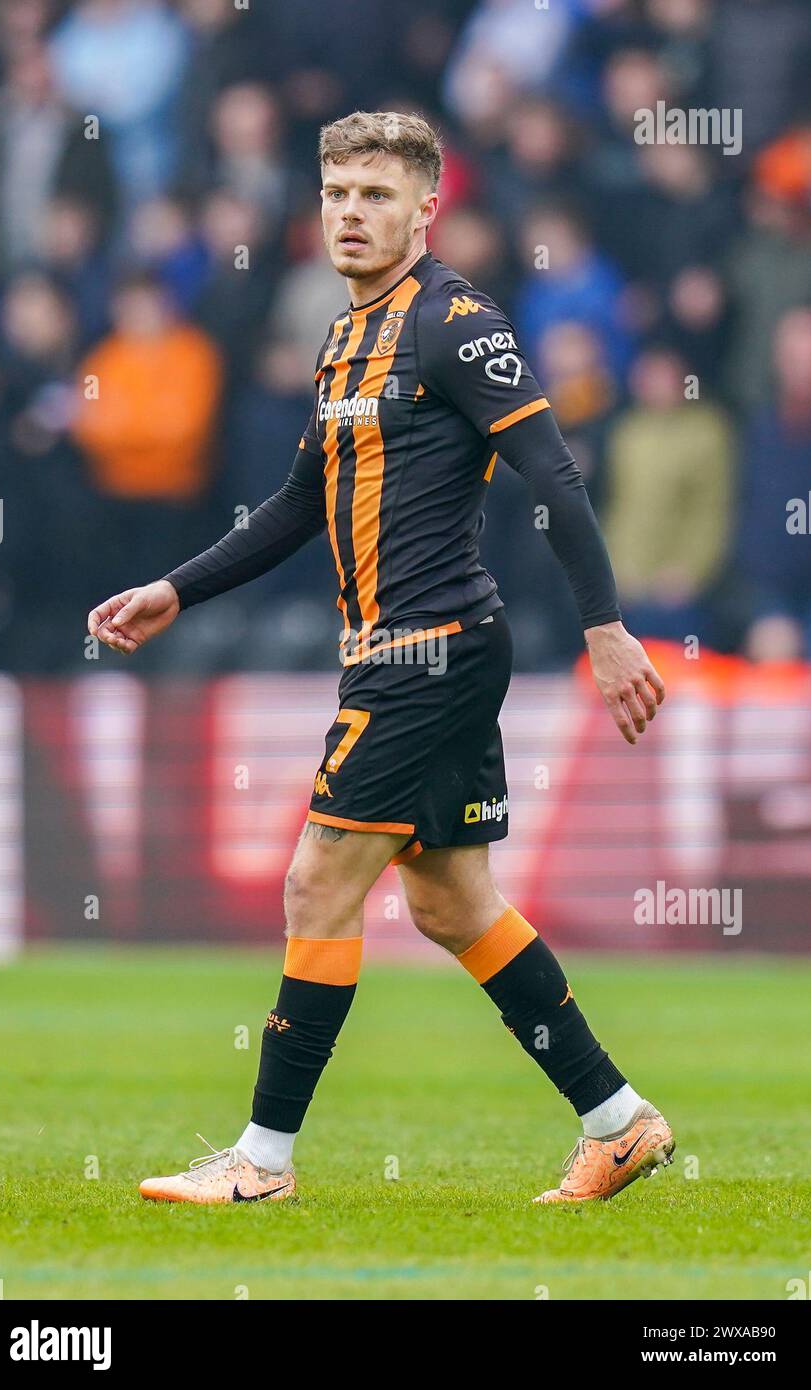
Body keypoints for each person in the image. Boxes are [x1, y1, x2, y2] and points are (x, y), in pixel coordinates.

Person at [88, 111, 673, 1207]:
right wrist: (178, 585)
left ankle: (260, 1162)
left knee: (315, 881)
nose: (352, 213)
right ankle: (618, 1120)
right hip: (400, 653)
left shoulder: (456, 323)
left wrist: (603, 627)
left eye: (375, 195)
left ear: (423, 210)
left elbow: (554, 477)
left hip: (429, 654)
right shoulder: (342, 336)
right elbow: (299, 503)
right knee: (452, 903)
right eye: (338, 194)